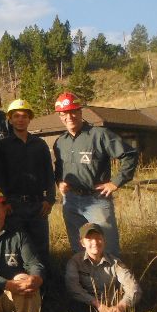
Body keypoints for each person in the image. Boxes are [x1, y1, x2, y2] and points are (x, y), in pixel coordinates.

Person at [53, 92, 139, 257]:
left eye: (73, 111)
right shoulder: (60, 142)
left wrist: (116, 182)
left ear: (80, 112)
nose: (69, 117)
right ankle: (84, 275)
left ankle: (110, 274)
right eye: (64, 113)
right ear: (60, 116)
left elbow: (130, 155)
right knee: (79, 249)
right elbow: (59, 166)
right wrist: (59, 181)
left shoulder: (99, 135)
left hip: (97, 200)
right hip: (71, 202)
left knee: (107, 248)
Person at [0, 99, 55, 266]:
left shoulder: (40, 145)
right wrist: (4, 202)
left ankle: (43, 282)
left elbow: (49, 174)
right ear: (10, 119)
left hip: (37, 205)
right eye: (16, 116)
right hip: (13, 206)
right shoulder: (3, 146)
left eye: (24, 116)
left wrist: (49, 199)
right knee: (16, 250)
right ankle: (21, 282)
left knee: (41, 250)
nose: (20, 119)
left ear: (30, 119)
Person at [65, 223, 141, 312]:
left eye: (98, 238)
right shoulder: (75, 262)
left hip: (113, 309)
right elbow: (73, 288)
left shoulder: (115, 263)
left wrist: (121, 306)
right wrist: (97, 304)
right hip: (87, 307)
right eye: (89, 239)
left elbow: (133, 287)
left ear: (104, 240)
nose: (95, 242)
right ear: (82, 243)